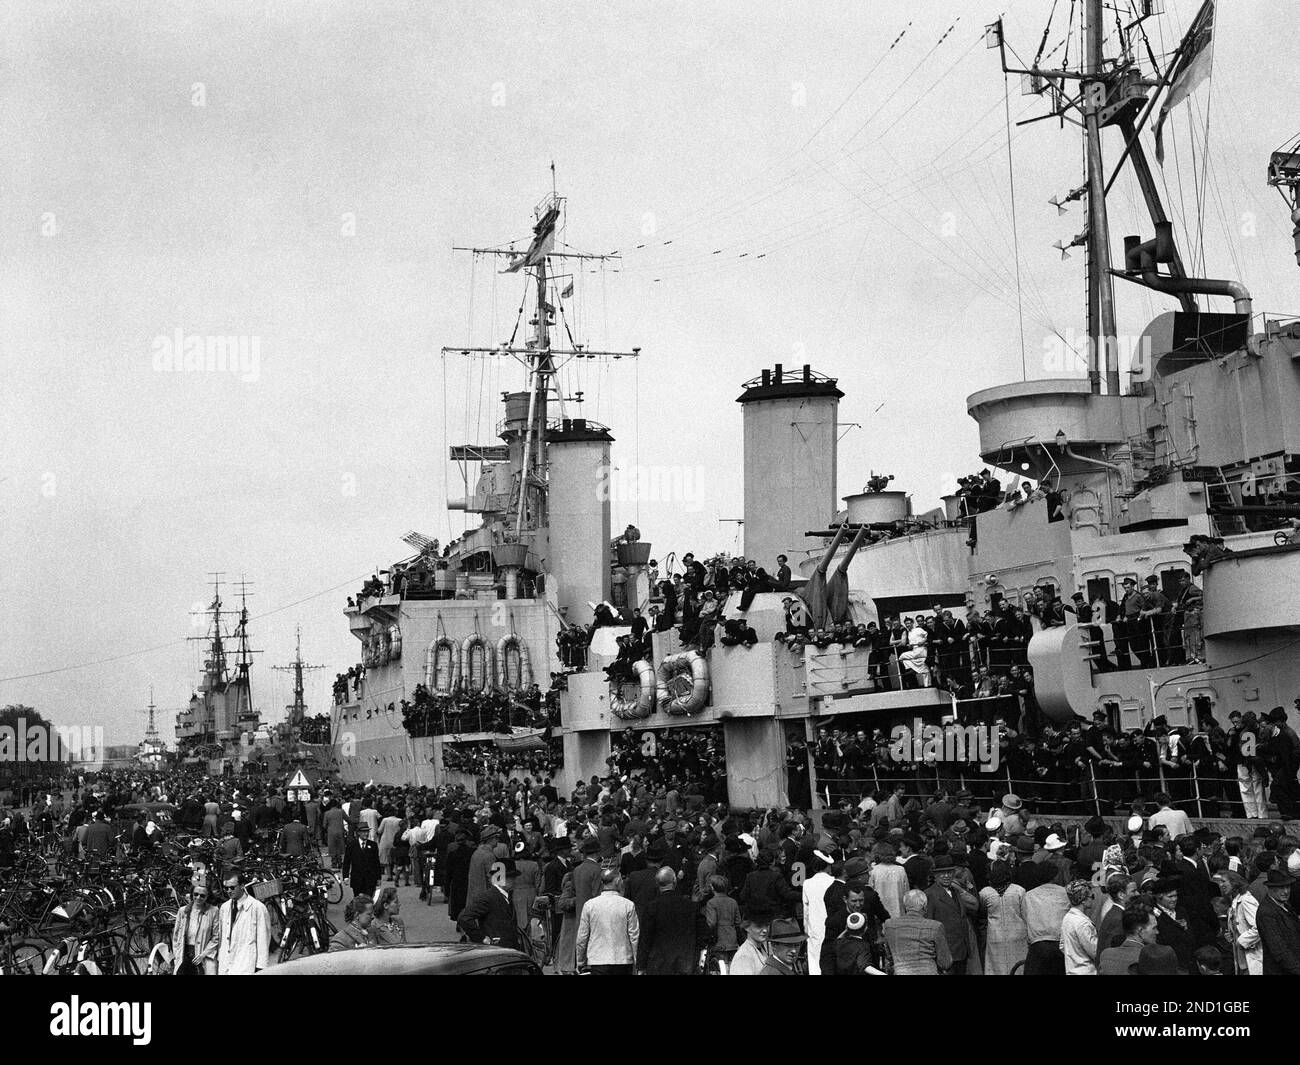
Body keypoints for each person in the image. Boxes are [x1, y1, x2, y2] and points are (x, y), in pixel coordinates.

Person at [576, 868, 640, 975]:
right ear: (618, 881)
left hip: (598, 959)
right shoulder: (628, 905)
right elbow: (634, 936)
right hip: (622, 959)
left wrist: (580, 960)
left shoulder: (589, 905)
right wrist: (637, 962)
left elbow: (582, 936)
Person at [639, 867, 702, 975]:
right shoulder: (690, 906)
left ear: (657, 883)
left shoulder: (652, 907)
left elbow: (645, 938)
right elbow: (702, 932)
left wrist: (641, 965)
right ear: (674, 881)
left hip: (659, 964)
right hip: (685, 963)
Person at [925, 855, 980, 974]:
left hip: (961, 949)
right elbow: (928, 925)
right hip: (946, 951)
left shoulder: (955, 891)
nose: (946, 876)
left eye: (949, 872)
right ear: (935, 875)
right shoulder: (930, 894)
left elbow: (974, 905)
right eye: (942, 873)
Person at [884, 889, 952, 975]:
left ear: (905, 906)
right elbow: (945, 963)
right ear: (924, 906)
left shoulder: (889, 925)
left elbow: (889, 956)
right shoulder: (935, 926)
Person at [978, 860, 1028, 976]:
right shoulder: (1019, 890)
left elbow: (982, 912)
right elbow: (1025, 914)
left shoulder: (985, 893)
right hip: (1018, 935)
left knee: (996, 967)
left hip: (995, 935)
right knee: (1018, 967)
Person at [217, 869, 270, 975]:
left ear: (242, 886)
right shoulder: (224, 907)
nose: (229, 891)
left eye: (232, 887)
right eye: (226, 888)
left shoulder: (257, 908)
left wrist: (261, 967)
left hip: (246, 965)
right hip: (226, 965)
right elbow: (222, 937)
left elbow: (263, 939)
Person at [458, 864, 521, 948]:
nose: (514, 881)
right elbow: (464, 918)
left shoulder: (506, 896)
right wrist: (481, 938)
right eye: (512, 878)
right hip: (496, 947)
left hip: (507, 947)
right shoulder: (488, 897)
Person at [1256, 867, 1300, 975]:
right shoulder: (1266, 913)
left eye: (1288, 887)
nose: (1286, 891)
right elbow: (1280, 950)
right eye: (1281, 887)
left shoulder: (1284, 905)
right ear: (1270, 888)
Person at [1098, 903, 1159, 975]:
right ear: (1140, 930)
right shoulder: (1151, 960)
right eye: (1154, 928)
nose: (1157, 932)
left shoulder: (1106, 955)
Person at [171, 886, 219, 975]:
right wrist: (177, 954)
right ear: (192, 894)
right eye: (196, 894)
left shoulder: (213, 911)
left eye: (202, 896)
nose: (198, 898)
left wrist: (203, 954)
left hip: (202, 954)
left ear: (207, 896)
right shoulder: (183, 911)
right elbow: (176, 936)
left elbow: (216, 937)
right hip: (184, 953)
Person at [1061, 878, 1099, 975]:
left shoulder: (1067, 918)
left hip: (1071, 970)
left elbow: (1062, 946)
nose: (1092, 899)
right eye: (1091, 896)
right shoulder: (1083, 923)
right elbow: (1094, 951)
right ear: (1083, 900)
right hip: (1087, 971)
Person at [342, 822, 381, 900]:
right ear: (359, 833)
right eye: (363, 832)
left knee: (368, 900)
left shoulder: (373, 845)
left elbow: (376, 862)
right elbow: (346, 861)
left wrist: (378, 878)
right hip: (357, 879)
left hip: (370, 879)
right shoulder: (351, 845)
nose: (366, 834)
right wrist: (345, 876)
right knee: (358, 900)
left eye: (367, 832)